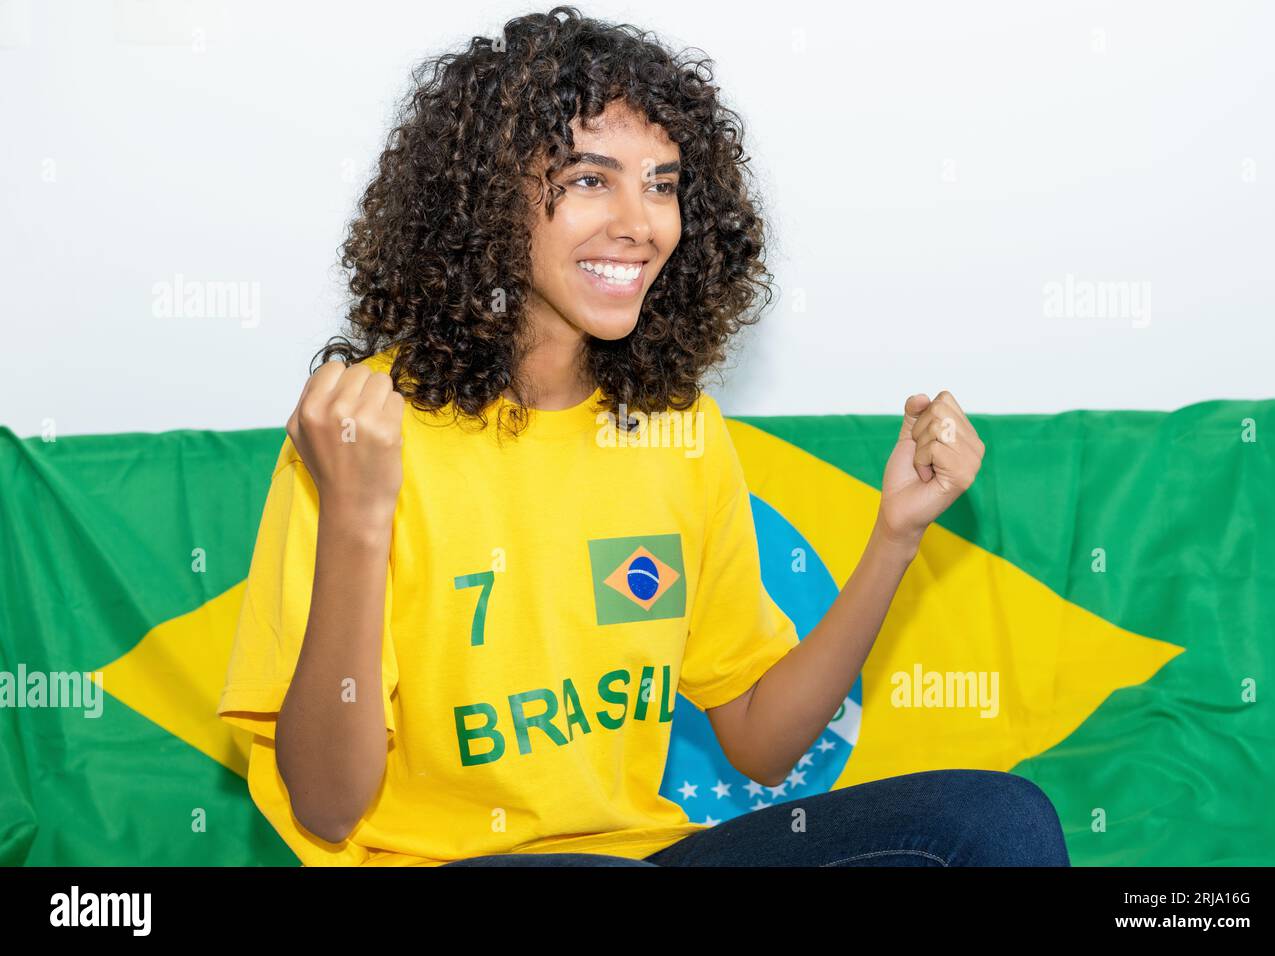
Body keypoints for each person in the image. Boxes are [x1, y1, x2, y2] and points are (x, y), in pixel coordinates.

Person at [217, 6, 1069, 867]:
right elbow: (326, 809)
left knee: (998, 821)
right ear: (485, 195)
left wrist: (897, 533)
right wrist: (361, 519)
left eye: (662, 184)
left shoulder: (676, 426)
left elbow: (760, 742)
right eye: (592, 179)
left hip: (641, 857)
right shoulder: (363, 428)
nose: (642, 222)